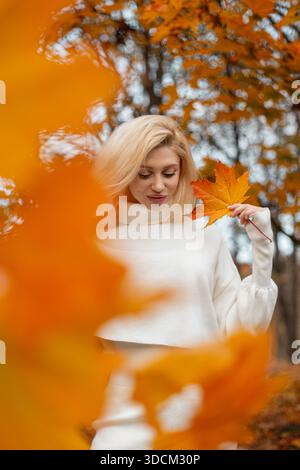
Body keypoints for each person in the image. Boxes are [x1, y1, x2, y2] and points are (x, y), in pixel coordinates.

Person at [90, 114, 278, 450]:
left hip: (199, 407)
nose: (159, 185)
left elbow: (237, 328)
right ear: (124, 173)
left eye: (169, 173)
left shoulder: (204, 234)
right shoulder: (101, 241)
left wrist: (262, 251)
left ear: (182, 171)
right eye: (144, 174)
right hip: (126, 412)